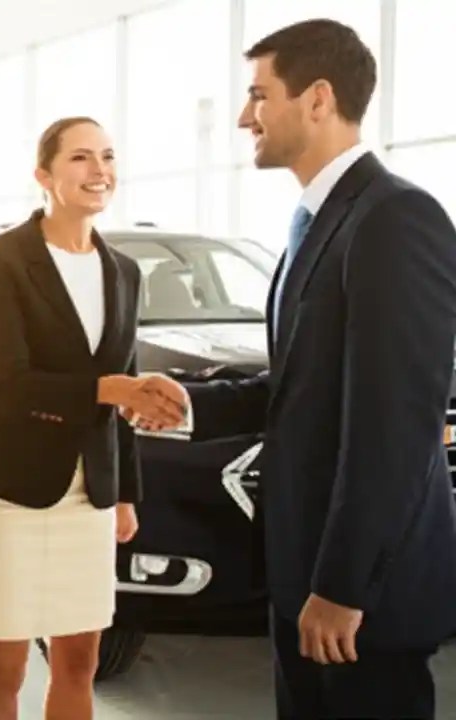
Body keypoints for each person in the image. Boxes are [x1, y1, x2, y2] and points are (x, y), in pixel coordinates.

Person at [141, 19, 456, 719]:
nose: (244, 116)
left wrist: (344, 587)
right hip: (303, 573)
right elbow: (303, 391)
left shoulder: (395, 219)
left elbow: (394, 428)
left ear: (317, 99)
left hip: (361, 596)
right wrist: (192, 403)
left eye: (259, 95)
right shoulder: (315, 221)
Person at [0, 116, 186, 720]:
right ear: (45, 174)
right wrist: (110, 387)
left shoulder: (124, 271)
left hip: (93, 493)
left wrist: (126, 494)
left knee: (80, 661)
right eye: (81, 158)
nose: (99, 170)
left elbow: (125, 398)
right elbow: (14, 379)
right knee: (3, 667)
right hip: (13, 487)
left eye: (108, 156)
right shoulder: (2, 256)